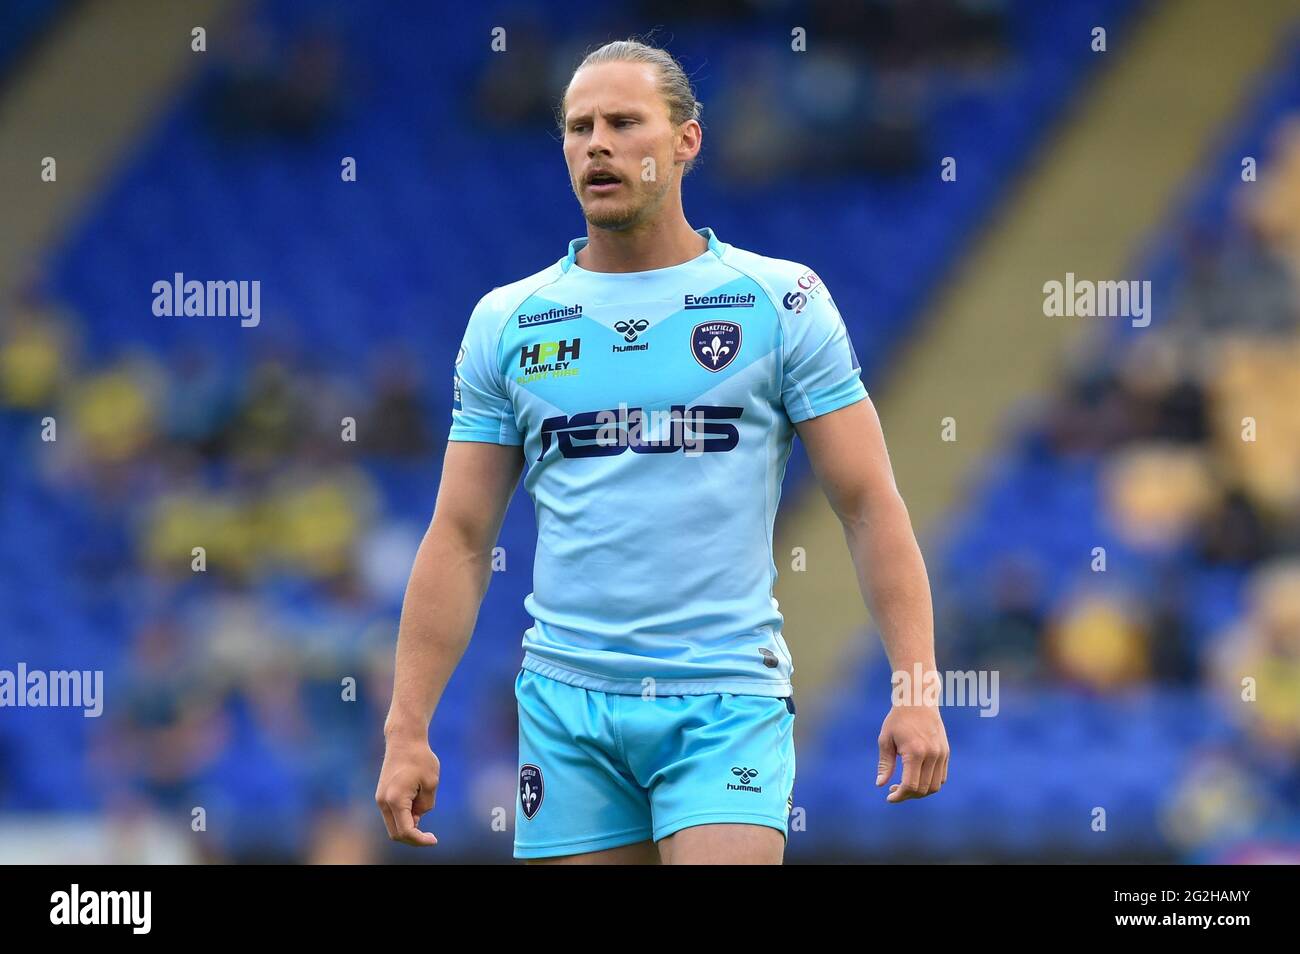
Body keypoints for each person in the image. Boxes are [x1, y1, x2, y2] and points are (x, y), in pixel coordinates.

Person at [376, 38, 948, 865]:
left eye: (623, 122)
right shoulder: (508, 322)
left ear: (686, 142)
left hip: (724, 700)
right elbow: (460, 537)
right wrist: (407, 728)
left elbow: (869, 505)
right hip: (567, 709)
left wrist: (917, 689)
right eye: (578, 127)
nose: (596, 144)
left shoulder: (778, 301)